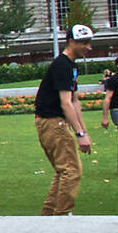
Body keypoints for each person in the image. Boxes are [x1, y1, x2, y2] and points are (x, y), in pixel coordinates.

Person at [37, 23, 97, 214]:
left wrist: (83, 131)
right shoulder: (62, 65)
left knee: (63, 171)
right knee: (71, 171)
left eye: (89, 43)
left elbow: (75, 101)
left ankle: (49, 215)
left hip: (55, 122)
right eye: (84, 43)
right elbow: (66, 102)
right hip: (54, 122)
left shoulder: (71, 66)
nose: (89, 47)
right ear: (71, 42)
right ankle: (62, 215)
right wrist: (79, 134)